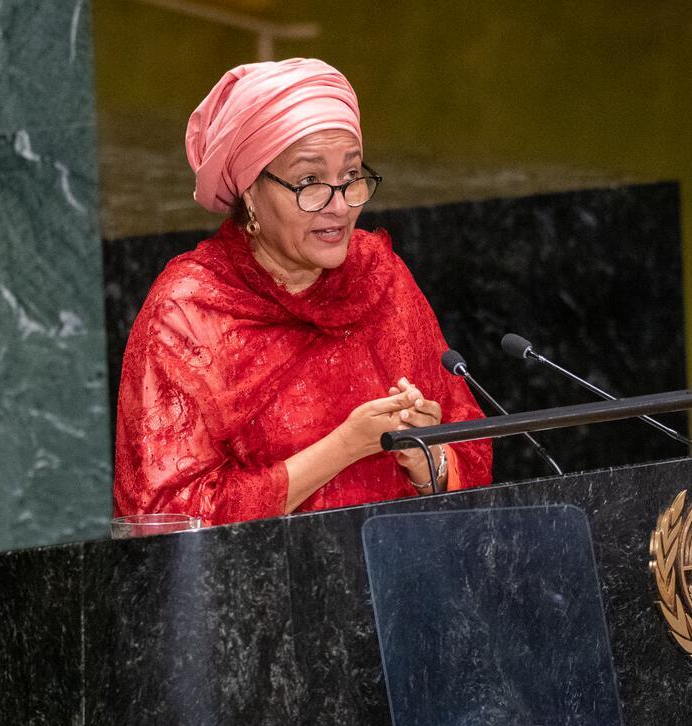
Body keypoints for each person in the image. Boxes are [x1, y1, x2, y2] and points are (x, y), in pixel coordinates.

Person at [113, 58, 492, 529]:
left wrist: (426, 461)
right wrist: (347, 445)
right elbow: (168, 519)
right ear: (249, 191)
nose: (338, 205)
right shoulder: (190, 310)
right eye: (310, 182)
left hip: (400, 581)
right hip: (260, 595)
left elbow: (470, 450)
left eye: (351, 176)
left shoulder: (381, 277)